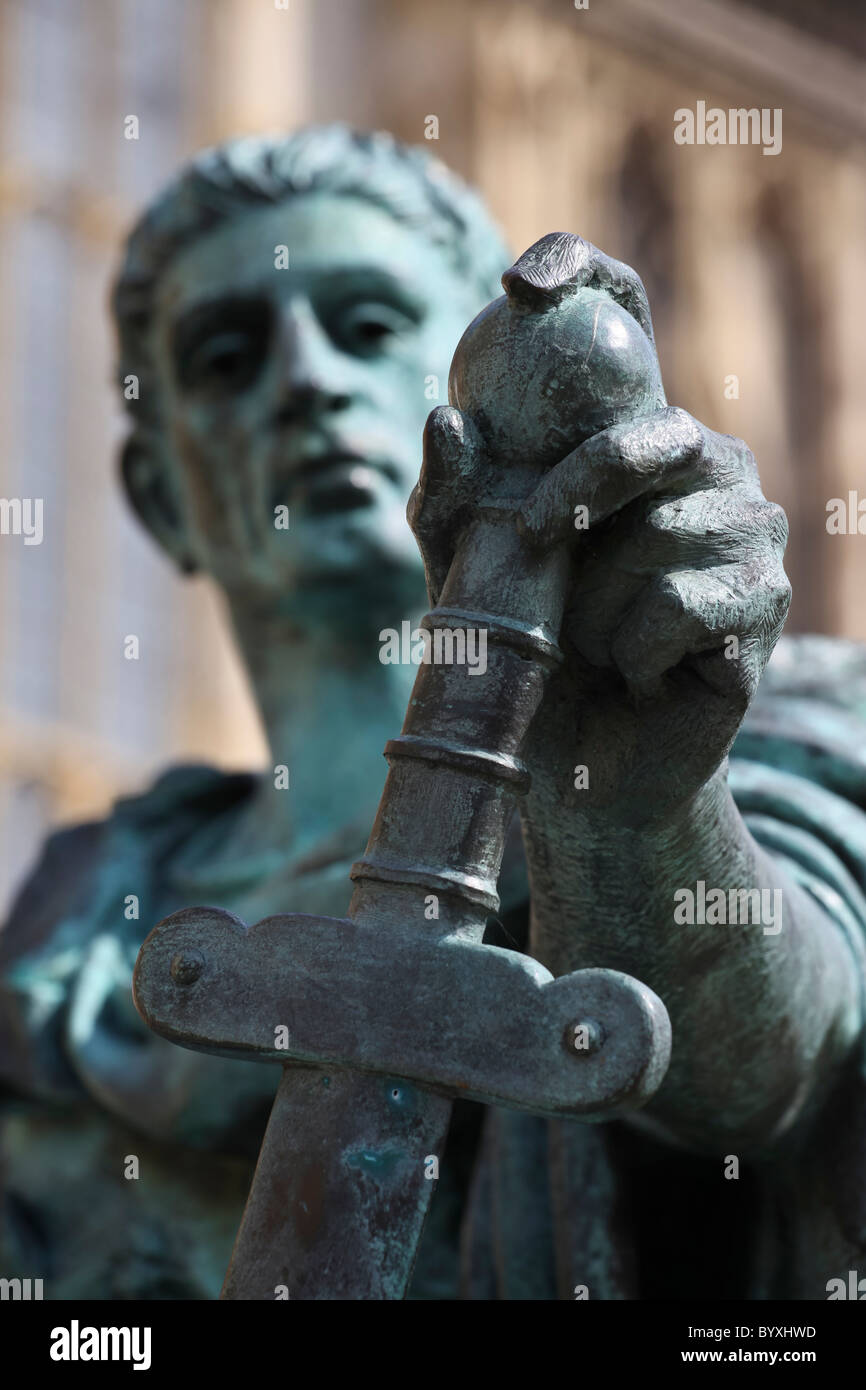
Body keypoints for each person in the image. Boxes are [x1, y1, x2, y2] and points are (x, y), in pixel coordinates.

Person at [1, 125, 864, 1301]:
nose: (303, 377)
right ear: (159, 494)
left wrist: (627, 817)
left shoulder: (761, 727)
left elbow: (779, 1060)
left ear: (487, 382)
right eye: (222, 356)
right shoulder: (76, 928)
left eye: (366, 327)